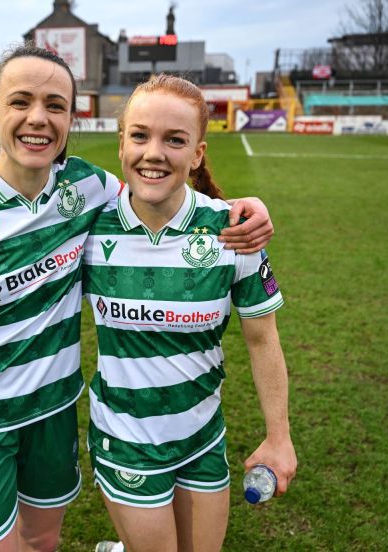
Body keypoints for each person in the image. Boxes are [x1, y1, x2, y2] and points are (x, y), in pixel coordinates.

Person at [0, 45, 274, 552]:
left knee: (44, 540)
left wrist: (240, 208)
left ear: (72, 117)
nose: (37, 119)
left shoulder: (87, 187)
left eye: (55, 105)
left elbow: (157, 189)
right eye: (20, 101)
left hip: (53, 411)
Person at [87, 75, 296, 552]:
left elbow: (263, 339)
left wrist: (278, 437)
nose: (154, 152)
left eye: (174, 140)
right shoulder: (88, 230)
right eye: (139, 135)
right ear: (122, 144)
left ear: (197, 153)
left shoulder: (232, 232)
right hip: (126, 440)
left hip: (202, 436)